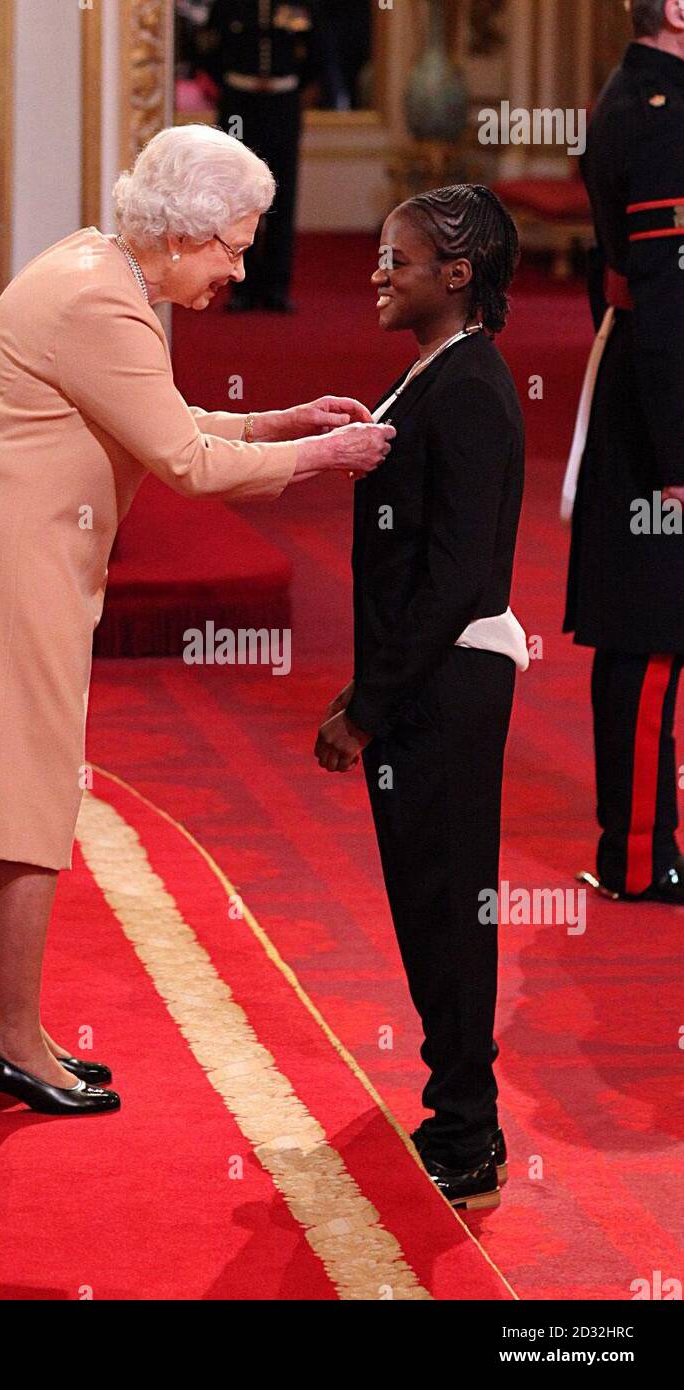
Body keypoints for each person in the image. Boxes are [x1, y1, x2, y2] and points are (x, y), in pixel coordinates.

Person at [0, 124, 393, 1117]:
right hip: (9, 556)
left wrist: (278, 423)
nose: (238, 265)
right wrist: (327, 458)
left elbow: (160, 417)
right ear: (180, 235)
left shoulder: (100, 268)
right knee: (25, 789)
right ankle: (8, 1036)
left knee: (24, 784)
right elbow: (186, 463)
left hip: (11, 543)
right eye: (231, 242)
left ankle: (12, 1026)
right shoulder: (103, 298)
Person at [315, 185, 528, 1210]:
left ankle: (471, 1132)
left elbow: (450, 580)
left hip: (448, 684)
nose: (376, 274)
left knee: (449, 906)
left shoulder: (474, 387)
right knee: (427, 902)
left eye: (393, 258)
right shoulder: (432, 374)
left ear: (456, 274)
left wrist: (367, 705)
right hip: (424, 681)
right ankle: (454, 1103)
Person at [563, 0, 684, 904]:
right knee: (651, 640)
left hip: (650, 392)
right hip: (660, 410)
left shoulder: (653, 97)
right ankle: (638, 857)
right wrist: (677, 454)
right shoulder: (655, 113)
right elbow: (662, 297)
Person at [197, 1, 320, 312]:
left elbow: (317, 51)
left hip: (282, 104)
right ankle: (242, 285)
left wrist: (289, 81)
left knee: (282, 193)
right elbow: (210, 49)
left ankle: (277, 286)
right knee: (238, 195)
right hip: (240, 102)